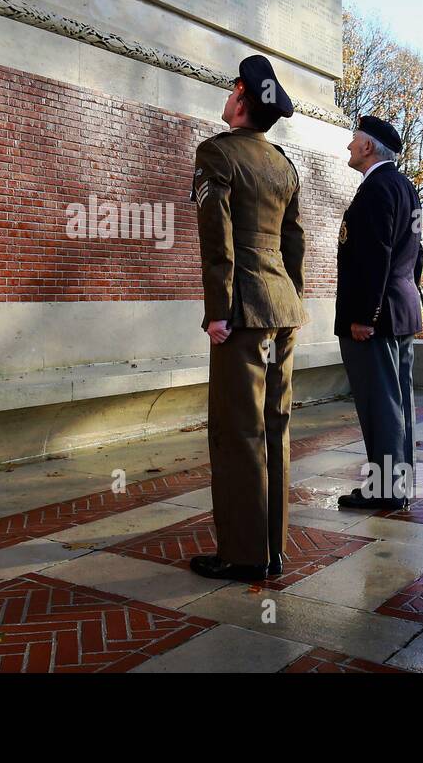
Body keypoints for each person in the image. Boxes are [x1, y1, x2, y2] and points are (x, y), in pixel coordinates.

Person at [188, 54, 308, 582]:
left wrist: (219, 311)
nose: (228, 94)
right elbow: (294, 242)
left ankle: (243, 555)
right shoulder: (283, 163)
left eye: (232, 87)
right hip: (281, 307)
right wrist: (288, 300)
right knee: (275, 428)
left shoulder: (215, 154)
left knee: (238, 433)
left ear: (240, 99)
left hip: (242, 311)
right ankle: (273, 547)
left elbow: (217, 238)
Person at [335, 115, 423, 510]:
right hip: (401, 309)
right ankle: (397, 485)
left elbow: (374, 257)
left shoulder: (376, 189)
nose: (349, 147)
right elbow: (415, 253)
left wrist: (364, 315)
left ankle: (386, 490)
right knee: (400, 401)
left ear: (368, 147)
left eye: (354, 140)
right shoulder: (406, 187)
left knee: (381, 405)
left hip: (377, 316)